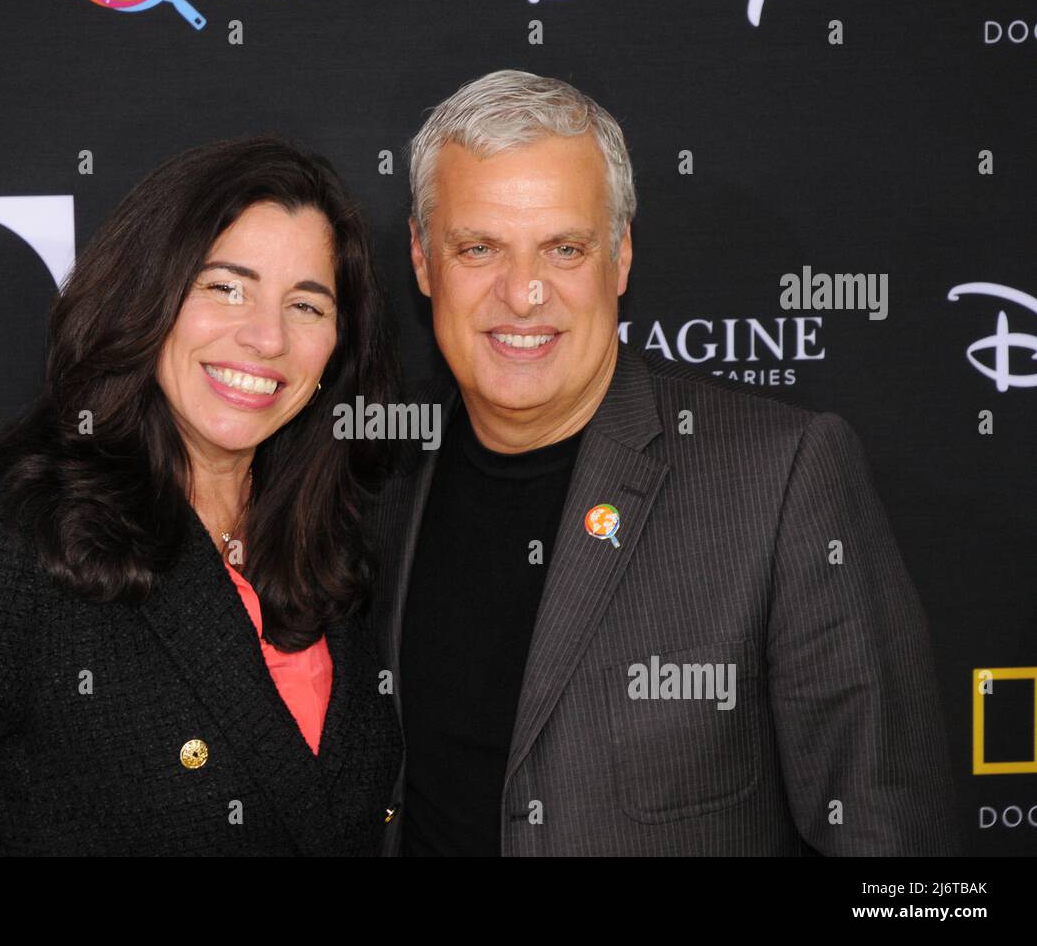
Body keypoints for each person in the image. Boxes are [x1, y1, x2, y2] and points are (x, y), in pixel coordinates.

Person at [0, 134, 403, 855]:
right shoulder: (17, 540)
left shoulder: (336, 539)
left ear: (338, 343)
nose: (266, 337)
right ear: (148, 293)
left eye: (306, 306)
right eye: (225, 286)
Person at [372, 69, 959, 856]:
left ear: (619, 258)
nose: (522, 293)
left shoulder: (783, 477)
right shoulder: (377, 480)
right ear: (422, 259)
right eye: (478, 247)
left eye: (565, 248)